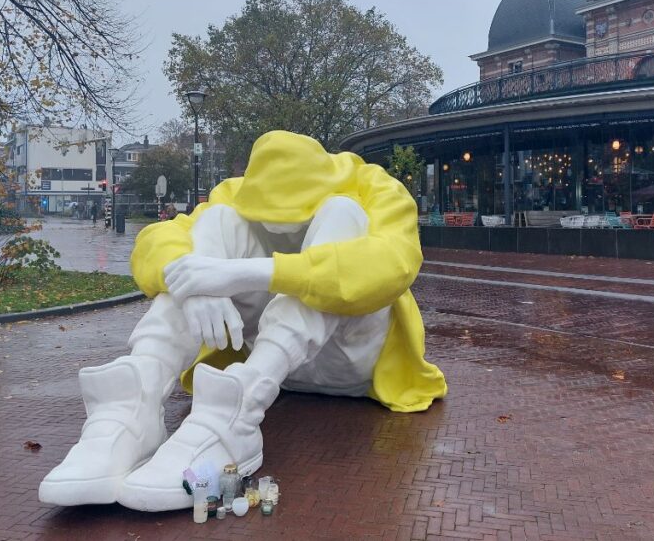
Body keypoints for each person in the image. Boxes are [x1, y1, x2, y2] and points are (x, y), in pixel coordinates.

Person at [39, 131, 447, 511]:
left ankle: (237, 414)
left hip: (353, 360)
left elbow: (393, 265)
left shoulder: (371, 187)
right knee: (216, 223)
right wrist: (198, 286)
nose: (277, 224)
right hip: (274, 362)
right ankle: (136, 403)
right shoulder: (234, 194)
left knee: (344, 218)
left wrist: (239, 274)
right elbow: (153, 244)